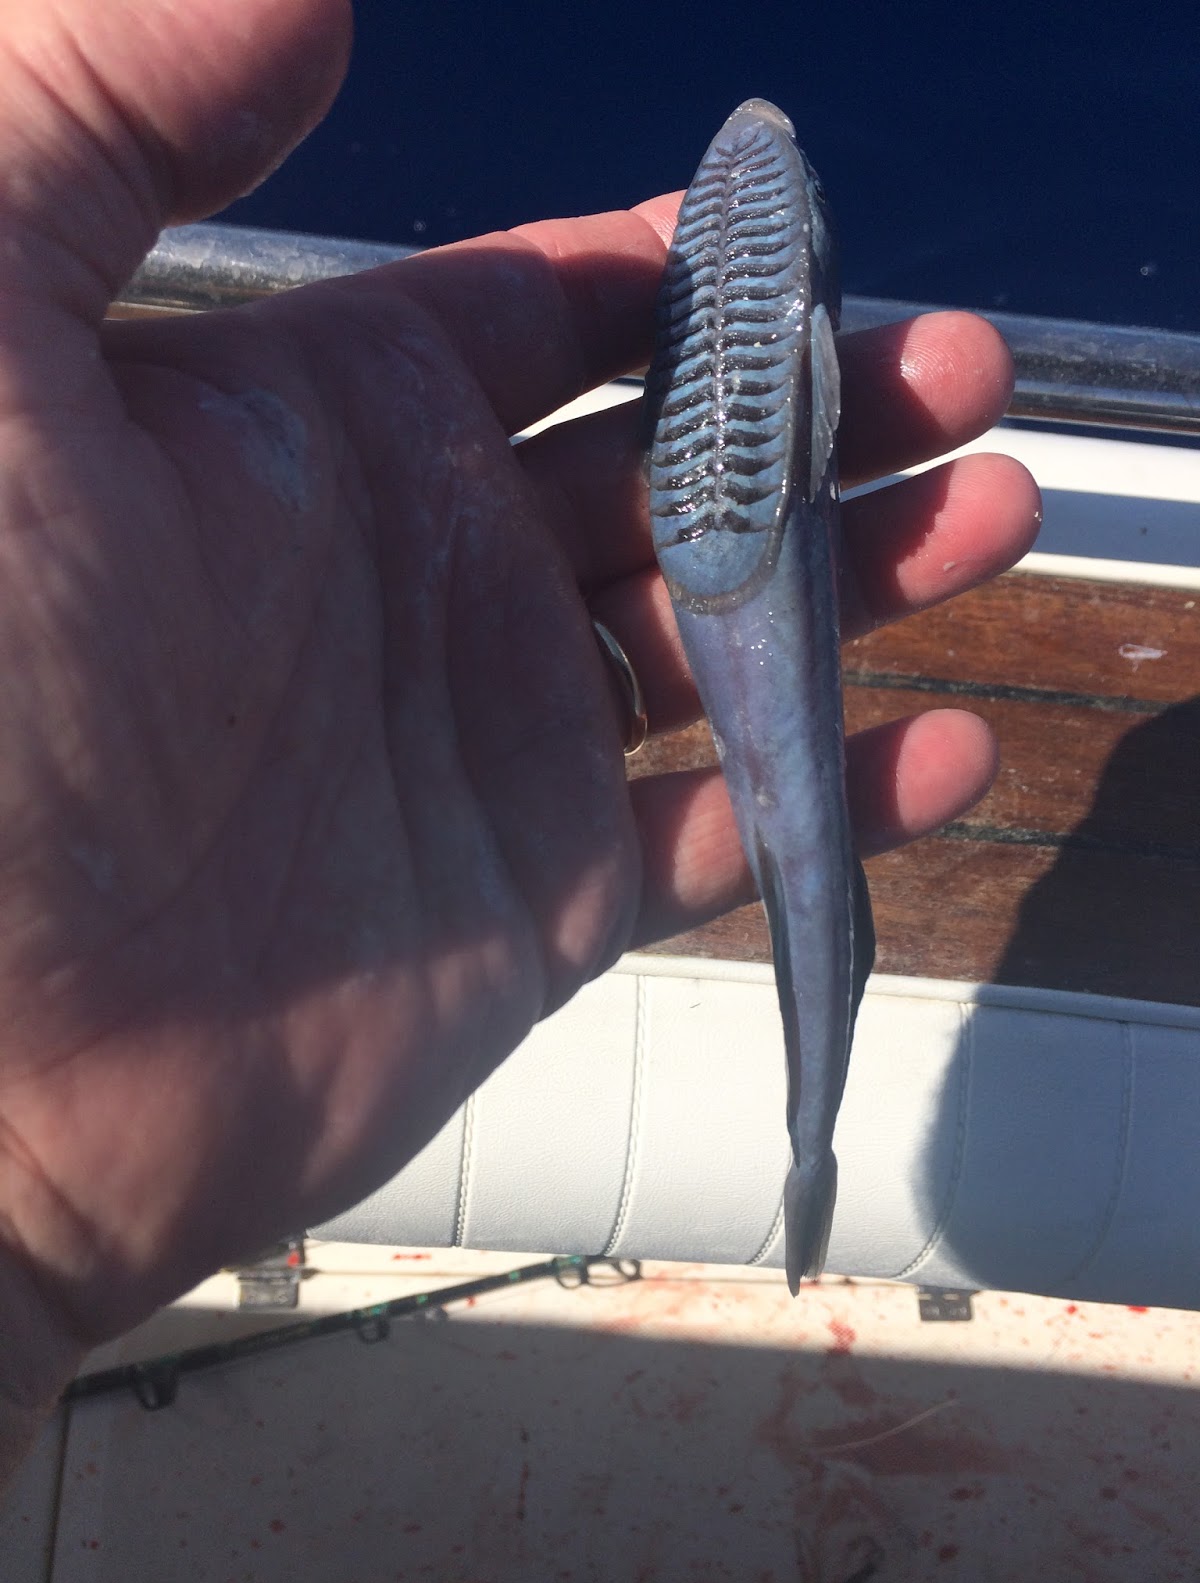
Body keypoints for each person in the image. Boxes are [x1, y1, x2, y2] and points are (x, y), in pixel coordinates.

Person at [0, 0, 1040, 1493]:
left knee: (811, 855)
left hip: (725, 525)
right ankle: (810, 1133)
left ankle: (810, 1135)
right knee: (811, 856)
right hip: (737, 525)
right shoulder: (776, 252)